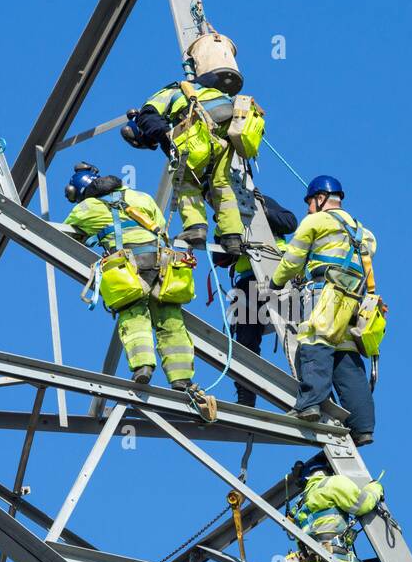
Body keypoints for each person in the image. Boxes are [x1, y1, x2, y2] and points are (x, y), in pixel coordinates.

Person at [61, 162, 196, 389]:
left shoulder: (85, 208)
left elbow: (66, 237)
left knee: (134, 317)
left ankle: (143, 367)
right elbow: (161, 227)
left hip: (128, 268)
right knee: (170, 320)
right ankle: (181, 378)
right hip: (162, 263)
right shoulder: (140, 197)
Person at [268, 175, 376, 446]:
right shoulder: (362, 232)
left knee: (314, 342)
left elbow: (293, 260)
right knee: (346, 357)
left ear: (320, 198)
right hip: (353, 301)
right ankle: (362, 426)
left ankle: (309, 405)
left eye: (310, 203)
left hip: (325, 293)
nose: (307, 209)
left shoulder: (315, 222)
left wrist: (275, 282)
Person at [122, 78, 253, 261]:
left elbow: (156, 127)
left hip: (204, 121)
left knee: (184, 179)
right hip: (230, 118)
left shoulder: (147, 110)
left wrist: (170, 146)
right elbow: (212, 78)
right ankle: (232, 237)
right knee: (221, 182)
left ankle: (195, 228)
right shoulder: (185, 87)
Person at [213, 190, 297, 407]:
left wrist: (263, 211)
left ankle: (312, 395)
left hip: (279, 276)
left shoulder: (262, 201)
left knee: (299, 338)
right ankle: (246, 396)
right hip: (249, 282)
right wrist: (227, 236)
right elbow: (219, 258)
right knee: (246, 341)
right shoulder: (225, 215)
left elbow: (290, 222)